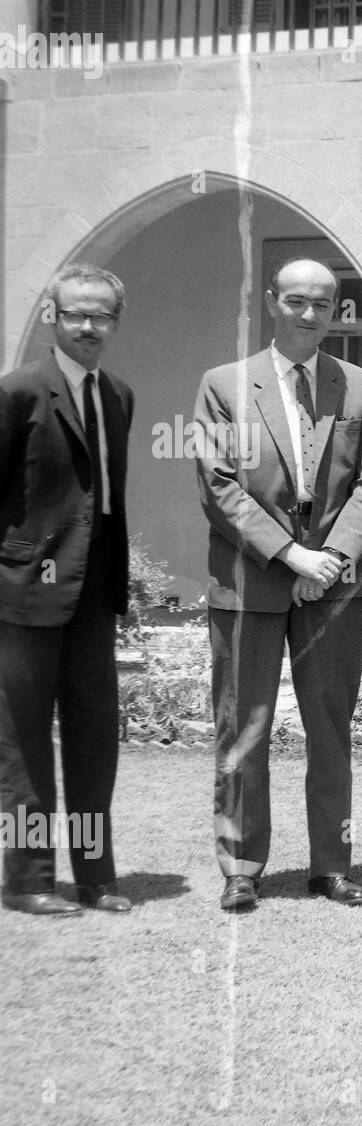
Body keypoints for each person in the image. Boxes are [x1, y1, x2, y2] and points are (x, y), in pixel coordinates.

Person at [195, 258, 362, 911]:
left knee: (330, 726)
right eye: (297, 301)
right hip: (250, 583)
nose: (310, 315)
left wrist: (329, 556)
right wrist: (290, 556)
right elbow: (219, 486)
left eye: (323, 304)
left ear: (336, 312)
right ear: (273, 302)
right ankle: (242, 864)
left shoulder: (359, 386)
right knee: (242, 725)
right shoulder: (224, 385)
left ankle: (331, 865)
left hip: (334, 584)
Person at [0, 265, 133, 916]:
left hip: (92, 599)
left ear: (115, 322)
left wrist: (117, 590)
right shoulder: (18, 392)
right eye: (76, 313)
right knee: (22, 742)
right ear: (53, 316)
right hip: (23, 595)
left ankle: (94, 877)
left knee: (92, 740)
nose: (88, 326)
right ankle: (25, 879)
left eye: (101, 315)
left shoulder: (119, 397)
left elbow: (104, 503)